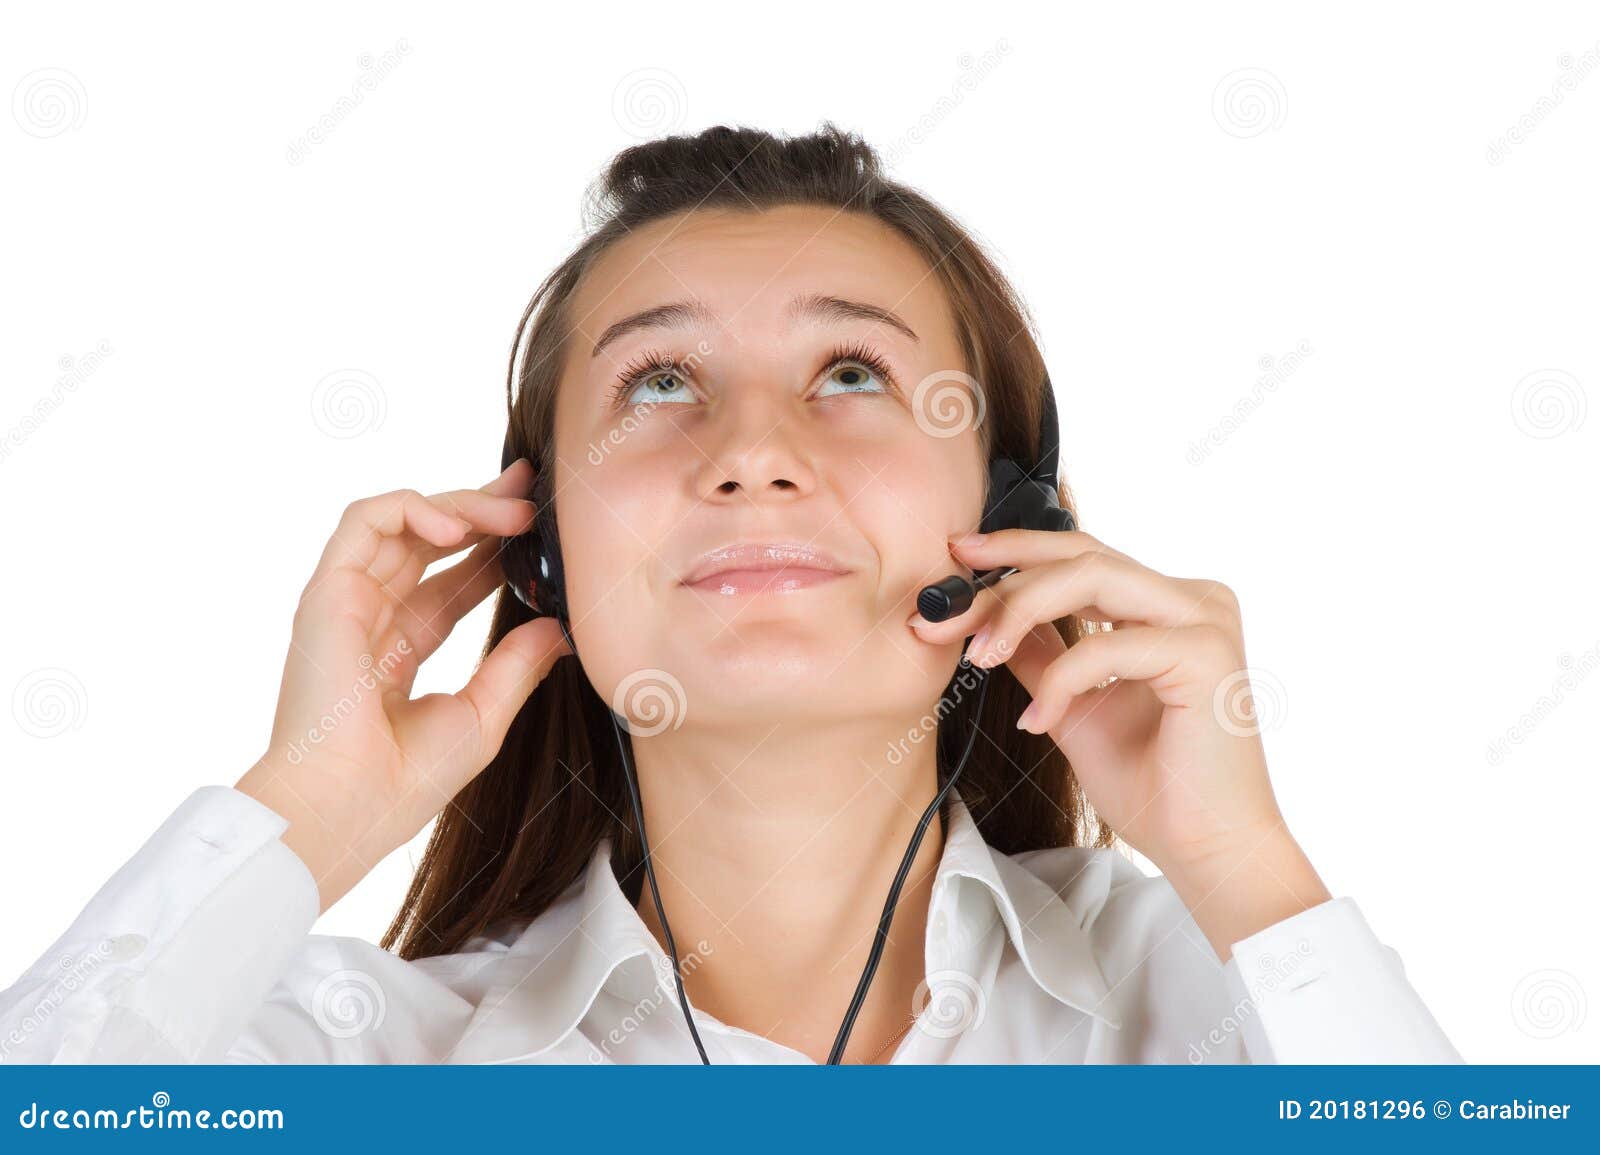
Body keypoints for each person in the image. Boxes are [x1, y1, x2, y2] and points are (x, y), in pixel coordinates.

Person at [0, 124, 1460, 1064]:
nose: (755, 454)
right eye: (659, 383)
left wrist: (1246, 870)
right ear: (546, 545)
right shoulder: (353, 1057)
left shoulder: (1224, 1009)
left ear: (1013, 525)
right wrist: (308, 805)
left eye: (850, 374)